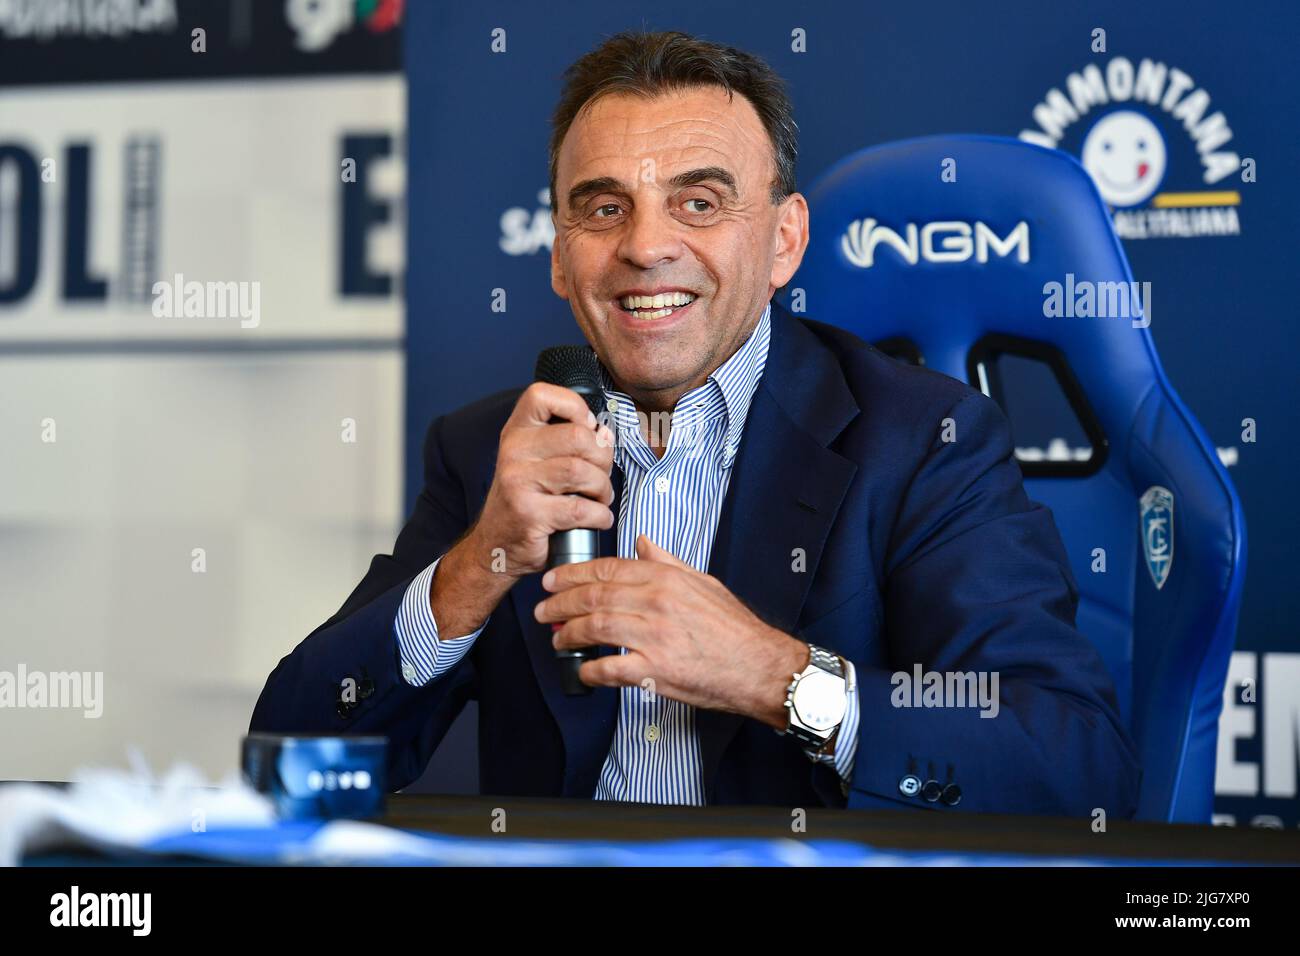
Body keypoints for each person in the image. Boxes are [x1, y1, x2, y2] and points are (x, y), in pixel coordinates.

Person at [251, 30, 1140, 815]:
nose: (646, 246)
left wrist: (777, 677)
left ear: (784, 242)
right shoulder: (491, 452)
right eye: (604, 209)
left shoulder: (925, 442)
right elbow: (288, 767)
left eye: (700, 202)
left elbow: (1072, 765)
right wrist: (479, 563)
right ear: (561, 257)